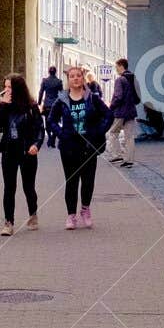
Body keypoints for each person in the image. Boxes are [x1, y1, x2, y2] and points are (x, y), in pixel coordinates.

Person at [46, 63, 110, 229]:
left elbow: (108, 115)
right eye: (72, 76)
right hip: (69, 147)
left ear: (83, 79)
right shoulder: (62, 99)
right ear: (68, 80)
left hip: (89, 145)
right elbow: (51, 120)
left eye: (78, 76)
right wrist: (61, 134)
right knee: (71, 181)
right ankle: (71, 216)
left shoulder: (92, 97)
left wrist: (99, 131)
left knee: (88, 180)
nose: (75, 78)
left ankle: (85, 209)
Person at [0, 73, 43, 235]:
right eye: (5, 87)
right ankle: (9, 222)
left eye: (9, 87)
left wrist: (36, 144)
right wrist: (3, 106)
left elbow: (40, 129)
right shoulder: (5, 106)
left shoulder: (31, 106)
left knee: (28, 186)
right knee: (9, 187)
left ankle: (33, 214)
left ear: (18, 89)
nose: (6, 90)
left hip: (27, 151)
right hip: (9, 150)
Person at [106, 57, 140, 166]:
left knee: (113, 132)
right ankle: (129, 160)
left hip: (120, 112)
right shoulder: (134, 78)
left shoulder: (120, 80)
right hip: (131, 111)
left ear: (121, 66)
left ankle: (117, 155)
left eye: (116, 67)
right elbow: (138, 96)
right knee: (129, 136)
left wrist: (111, 106)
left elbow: (118, 96)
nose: (116, 70)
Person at [38, 65, 63, 149]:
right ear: (55, 72)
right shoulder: (59, 82)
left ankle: (49, 136)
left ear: (49, 72)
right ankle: (53, 138)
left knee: (48, 122)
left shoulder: (45, 81)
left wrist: (39, 102)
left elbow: (41, 92)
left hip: (47, 105)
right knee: (55, 122)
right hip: (56, 105)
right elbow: (61, 94)